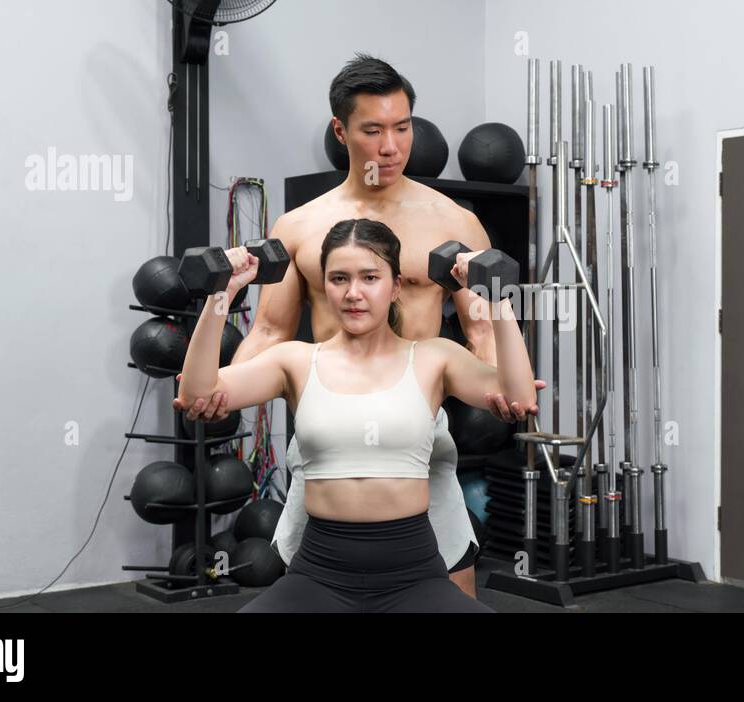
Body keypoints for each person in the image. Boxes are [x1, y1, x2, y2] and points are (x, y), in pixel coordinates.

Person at [176, 54, 542, 598]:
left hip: (415, 432)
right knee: (319, 584)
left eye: (402, 127)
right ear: (340, 131)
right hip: (326, 432)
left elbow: (481, 326)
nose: (390, 146)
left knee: (447, 585)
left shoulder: (454, 221)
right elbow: (273, 330)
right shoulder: (300, 226)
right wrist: (220, 389)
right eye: (373, 130)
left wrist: (502, 389)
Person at [177, 219, 535, 613]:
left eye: (370, 277)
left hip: (413, 573)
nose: (353, 293)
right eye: (338, 278)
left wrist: (498, 297)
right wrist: (220, 295)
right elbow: (197, 393)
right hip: (319, 573)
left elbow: (517, 395)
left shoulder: (434, 358)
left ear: (395, 285)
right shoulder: (295, 361)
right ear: (323, 286)